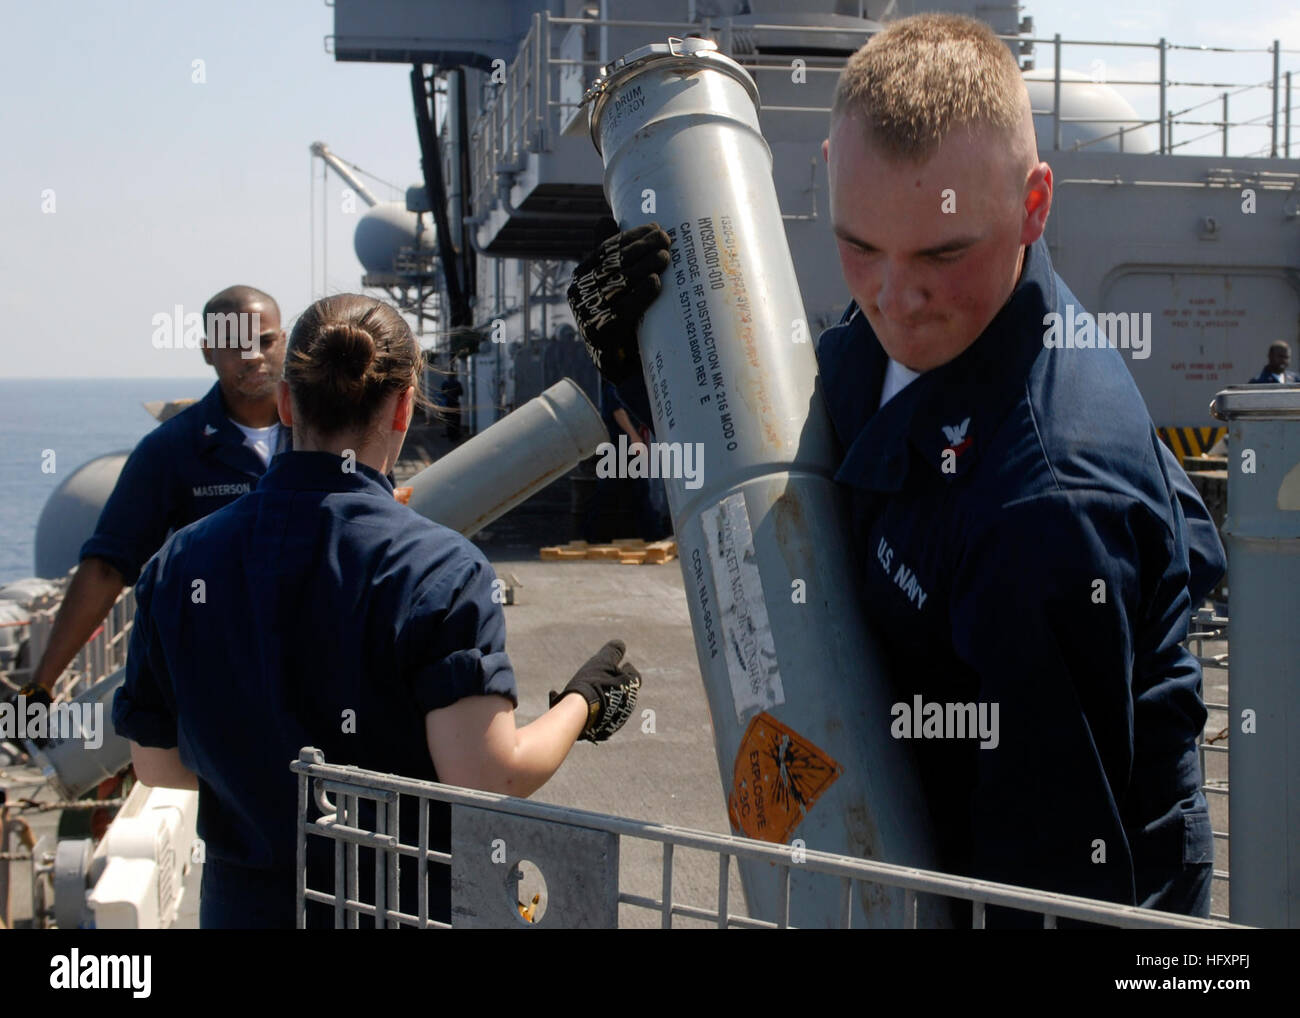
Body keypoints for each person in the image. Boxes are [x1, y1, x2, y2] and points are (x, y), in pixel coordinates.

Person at [568, 13, 1224, 924]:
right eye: (861, 246)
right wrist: (651, 366)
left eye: (940, 254)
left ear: (1035, 204)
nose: (893, 298)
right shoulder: (892, 336)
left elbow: (1057, 882)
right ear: (835, 169)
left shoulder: (1047, 508)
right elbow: (793, 448)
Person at [111, 293, 642, 928]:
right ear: (403, 408)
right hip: (400, 909)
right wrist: (581, 704)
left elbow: (156, 762)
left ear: (286, 405)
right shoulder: (442, 569)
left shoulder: (178, 563)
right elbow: (488, 777)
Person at [19, 285, 289, 708]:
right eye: (234, 343)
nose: (253, 355)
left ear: (284, 341)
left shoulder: (325, 432)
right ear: (206, 351)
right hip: (224, 680)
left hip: (318, 661)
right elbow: (107, 568)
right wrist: (41, 686)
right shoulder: (171, 451)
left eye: (265, 341)